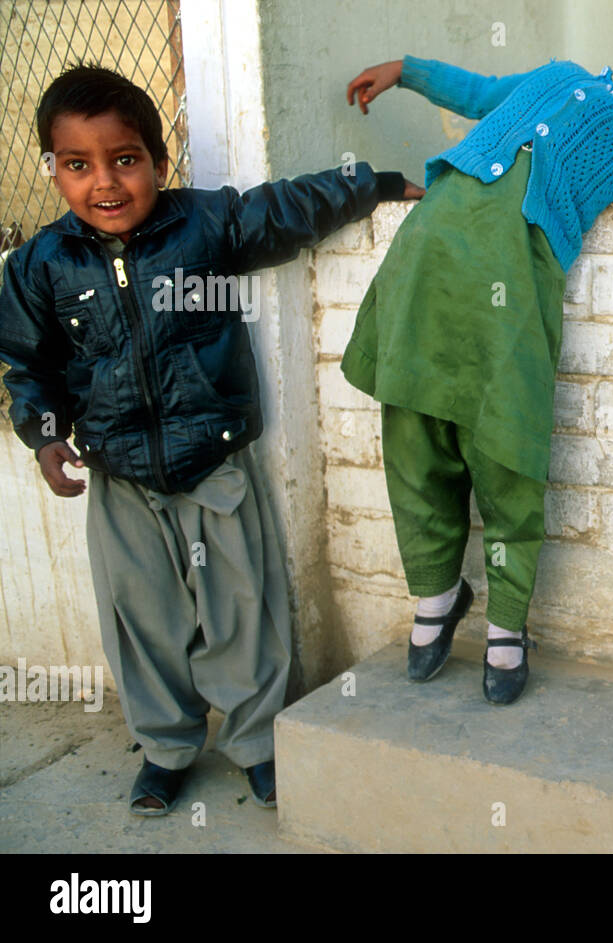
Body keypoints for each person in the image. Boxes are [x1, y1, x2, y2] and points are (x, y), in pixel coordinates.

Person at [0, 64, 419, 816]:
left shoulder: (206, 225)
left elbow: (289, 207)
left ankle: (258, 745)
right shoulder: (39, 267)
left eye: (125, 160)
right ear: (54, 172)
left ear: (159, 164)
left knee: (241, 612)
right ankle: (164, 749)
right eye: (78, 165)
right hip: (121, 479)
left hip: (215, 465)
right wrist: (44, 435)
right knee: (142, 620)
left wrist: (377, 183)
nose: (106, 182)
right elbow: (28, 362)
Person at [340, 21, 613, 705]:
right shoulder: (555, 78)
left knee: (507, 457)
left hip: (512, 303)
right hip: (424, 274)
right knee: (413, 443)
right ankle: (435, 597)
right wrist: (406, 68)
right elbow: (480, 92)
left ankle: (507, 626)